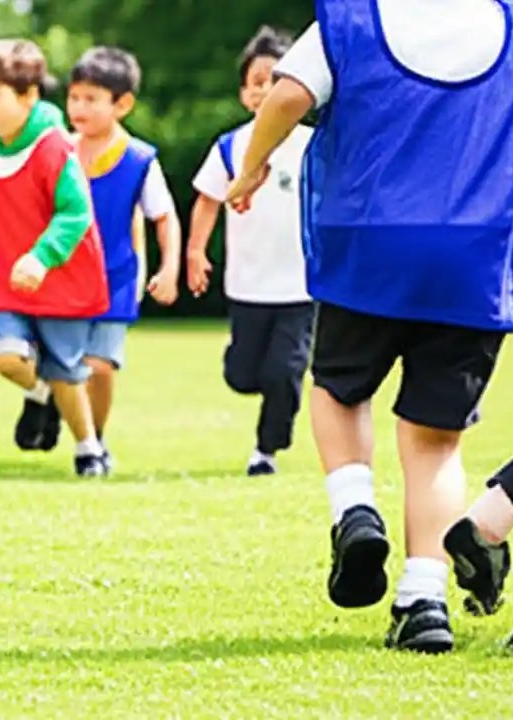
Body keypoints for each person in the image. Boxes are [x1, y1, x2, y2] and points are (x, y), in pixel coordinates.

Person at [228, 0, 513, 653]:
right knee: (436, 439)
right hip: (473, 253)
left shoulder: (352, 18)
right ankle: (425, 603)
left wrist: (251, 167)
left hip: (367, 240)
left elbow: (287, 96)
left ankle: (355, 506)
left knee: (338, 387)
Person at [0, 39, 111, 477]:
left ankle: (88, 447)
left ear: (28, 95)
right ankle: (39, 394)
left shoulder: (53, 148)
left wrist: (41, 257)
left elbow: (76, 213)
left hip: (64, 277)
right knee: (3, 355)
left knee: (68, 373)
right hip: (11, 278)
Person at [187, 26, 314, 477]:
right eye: (256, 81)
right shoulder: (230, 146)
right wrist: (195, 253)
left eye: (276, 80)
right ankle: (248, 372)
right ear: (244, 94)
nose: (265, 90)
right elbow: (206, 200)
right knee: (242, 375)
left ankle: (266, 451)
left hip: (300, 286)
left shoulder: (312, 146)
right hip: (247, 284)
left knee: (285, 371)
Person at [63, 45, 181, 465]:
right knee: (61, 364)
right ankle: (50, 405)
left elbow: (164, 217)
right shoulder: (57, 151)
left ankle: (92, 444)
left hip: (116, 275)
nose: (79, 107)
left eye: (91, 99)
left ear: (122, 104)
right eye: (74, 96)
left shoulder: (139, 160)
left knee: (100, 366)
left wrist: (169, 269)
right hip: (61, 277)